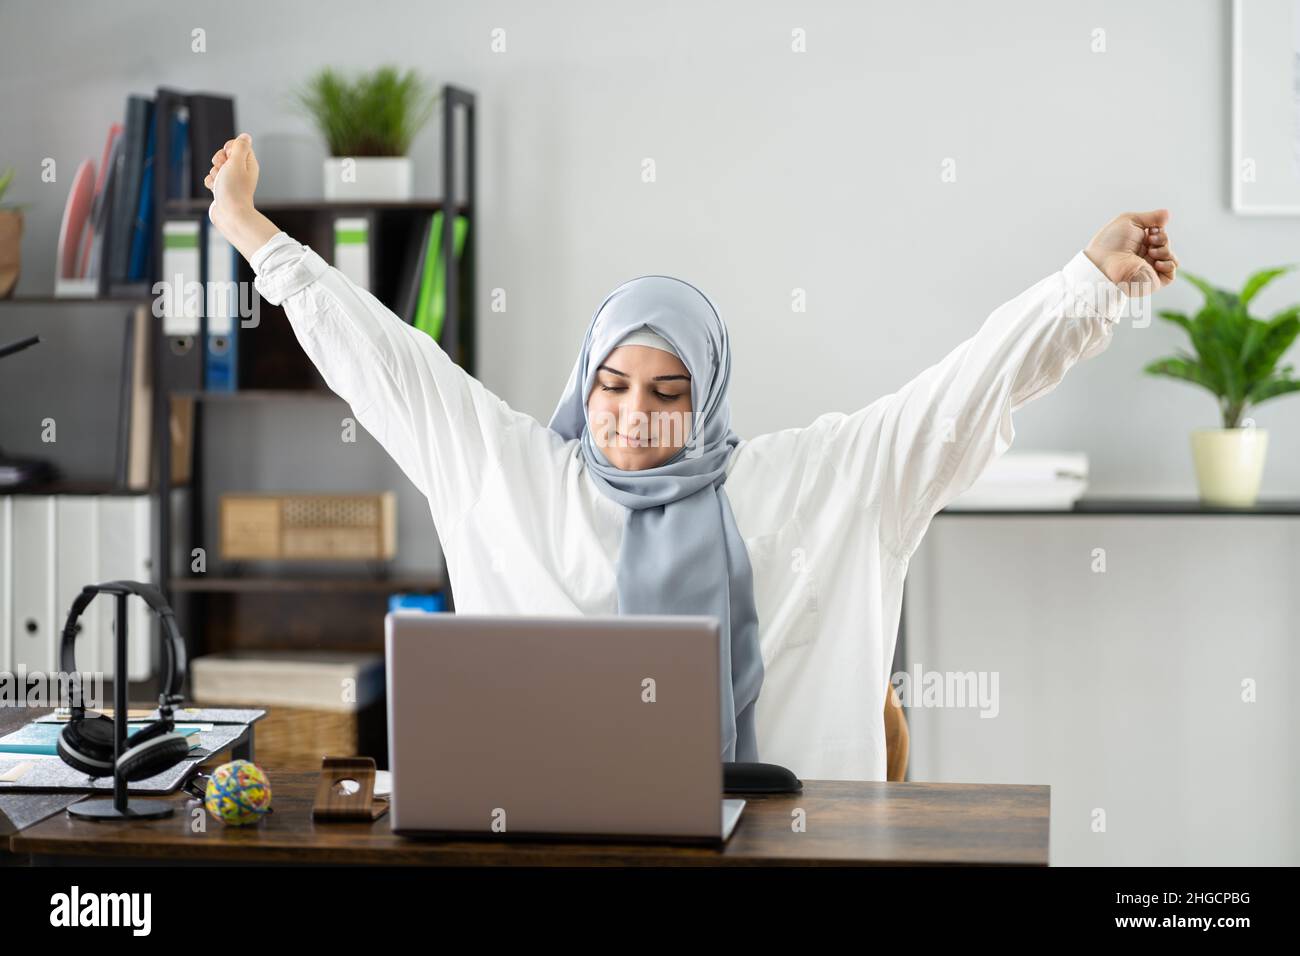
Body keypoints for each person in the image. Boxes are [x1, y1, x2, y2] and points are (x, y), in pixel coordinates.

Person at [204, 133, 1178, 780]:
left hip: (785, 844)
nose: (633, 417)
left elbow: (963, 389)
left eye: (669, 394)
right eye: (611, 387)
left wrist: (1087, 283)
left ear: (707, 396)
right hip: (558, 841)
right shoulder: (515, 477)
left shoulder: (813, 480)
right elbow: (384, 360)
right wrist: (249, 228)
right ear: (583, 384)